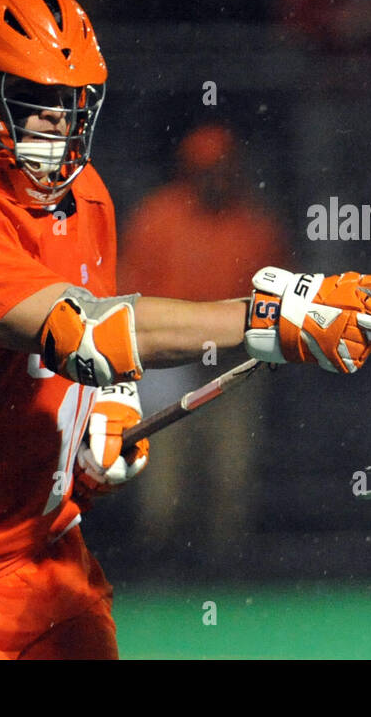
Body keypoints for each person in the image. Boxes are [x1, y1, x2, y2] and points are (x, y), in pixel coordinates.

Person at [0, 0, 371, 659]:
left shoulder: (88, 197)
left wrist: (97, 421)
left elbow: (90, 359)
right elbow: (86, 332)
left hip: (43, 549)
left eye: (73, 100)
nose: (61, 120)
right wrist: (269, 317)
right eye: (36, 98)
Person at [117, 124, 291, 554]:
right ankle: (162, 563)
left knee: (231, 473)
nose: (214, 178)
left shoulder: (254, 224)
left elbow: (278, 301)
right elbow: (127, 295)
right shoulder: (158, 217)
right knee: (163, 480)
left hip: (234, 362)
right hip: (166, 362)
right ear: (188, 170)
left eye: (222, 169)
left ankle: (225, 564)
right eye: (206, 169)